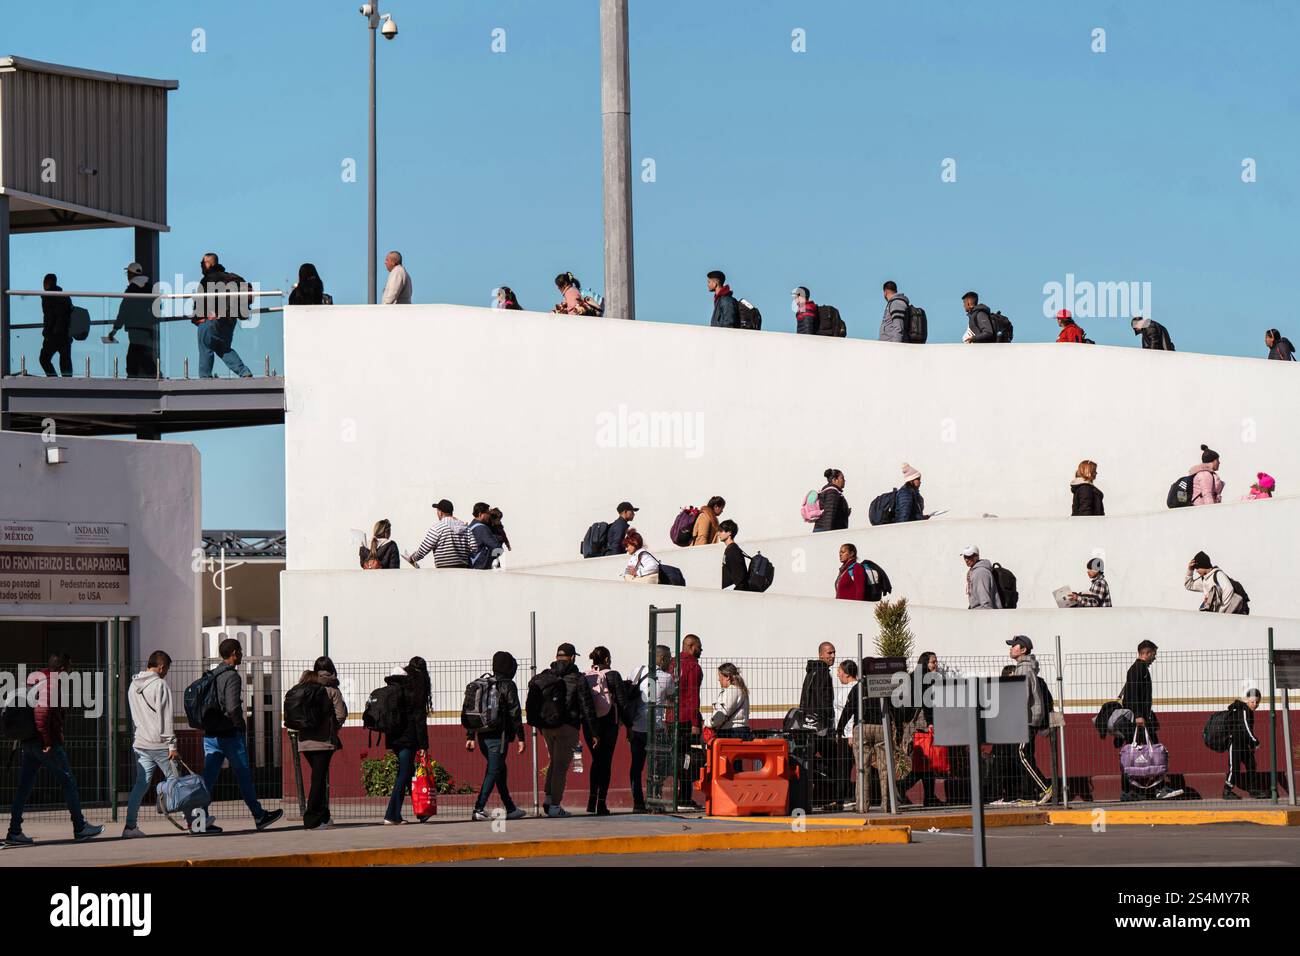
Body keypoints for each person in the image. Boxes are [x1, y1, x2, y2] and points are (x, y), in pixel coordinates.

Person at [4, 653, 105, 846]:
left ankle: (14, 832)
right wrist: (47, 742)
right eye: (70, 667)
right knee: (68, 782)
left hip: (28, 742)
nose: (72, 670)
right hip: (44, 743)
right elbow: (42, 713)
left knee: (24, 788)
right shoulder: (52, 683)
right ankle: (80, 827)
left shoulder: (37, 679)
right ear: (62, 668)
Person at [200, 639, 284, 832]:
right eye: (241, 651)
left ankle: (199, 819)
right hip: (229, 734)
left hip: (211, 735)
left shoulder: (212, 674)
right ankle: (259, 815)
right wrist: (240, 724)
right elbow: (231, 707)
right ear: (235, 653)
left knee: (208, 779)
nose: (242, 654)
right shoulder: (232, 676)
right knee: (244, 776)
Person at [528, 643, 598, 817]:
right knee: (560, 766)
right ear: (573, 657)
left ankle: (548, 799)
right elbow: (587, 706)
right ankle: (555, 807)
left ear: (556, 656)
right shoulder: (577, 678)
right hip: (567, 727)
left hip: (547, 727)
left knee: (554, 762)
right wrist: (594, 731)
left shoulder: (546, 675)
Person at [123, 650, 180, 837]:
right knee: (176, 781)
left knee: (140, 785)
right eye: (167, 669)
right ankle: (194, 819)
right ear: (162, 667)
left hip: (140, 742)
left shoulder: (133, 685)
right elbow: (165, 717)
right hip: (160, 743)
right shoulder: (160, 685)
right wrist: (172, 745)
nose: (166, 673)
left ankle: (130, 827)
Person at [464, 651, 528, 821]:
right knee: (493, 771)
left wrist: (470, 736)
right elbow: (515, 712)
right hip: (498, 736)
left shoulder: (484, 684)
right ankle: (479, 808)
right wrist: (521, 737)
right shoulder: (507, 685)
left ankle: (510, 808)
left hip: (481, 735)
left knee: (499, 769)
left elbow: (473, 710)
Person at [1118, 641, 1183, 801]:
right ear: (1146, 653)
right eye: (1153, 654)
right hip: (1139, 721)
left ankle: (1134, 790)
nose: (1155, 658)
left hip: (1141, 720)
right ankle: (1152, 789)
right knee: (1149, 755)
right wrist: (1139, 715)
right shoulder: (1138, 670)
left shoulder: (1139, 669)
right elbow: (1133, 694)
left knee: (1138, 756)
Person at [296, 656, 348, 829]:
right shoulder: (332, 689)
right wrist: (332, 728)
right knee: (318, 780)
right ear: (331, 669)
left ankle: (324, 817)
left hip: (304, 741)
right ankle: (312, 820)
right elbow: (340, 715)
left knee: (318, 778)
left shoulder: (305, 685)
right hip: (324, 742)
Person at [383, 657, 432, 824]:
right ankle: (392, 815)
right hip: (408, 739)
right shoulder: (416, 690)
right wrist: (424, 746)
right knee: (403, 775)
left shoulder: (400, 686)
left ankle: (421, 811)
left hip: (394, 737)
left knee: (409, 772)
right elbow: (419, 720)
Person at [628, 645, 675, 812]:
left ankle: (638, 802)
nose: (670, 662)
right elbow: (671, 695)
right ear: (662, 659)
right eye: (668, 658)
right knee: (657, 767)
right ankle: (655, 800)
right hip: (656, 728)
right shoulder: (668, 678)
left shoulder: (637, 671)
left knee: (636, 766)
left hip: (637, 726)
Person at [584, 647, 630, 815]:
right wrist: (629, 725)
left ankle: (591, 799)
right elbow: (623, 703)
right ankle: (601, 804)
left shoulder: (587, 675)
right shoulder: (613, 675)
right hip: (609, 724)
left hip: (590, 725)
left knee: (596, 761)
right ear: (607, 659)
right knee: (605, 763)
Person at [192, 252, 253, 378]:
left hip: (212, 320)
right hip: (229, 321)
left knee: (205, 347)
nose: (201, 266)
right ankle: (244, 372)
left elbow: (199, 303)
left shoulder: (207, 279)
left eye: (203, 263)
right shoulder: (232, 278)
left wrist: (197, 319)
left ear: (209, 263)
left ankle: (204, 378)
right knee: (223, 348)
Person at [894, 651, 943, 807]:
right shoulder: (925, 679)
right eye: (932, 662)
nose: (935, 665)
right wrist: (930, 722)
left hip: (912, 725)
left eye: (935, 662)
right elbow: (927, 703)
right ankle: (902, 787)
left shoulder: (913, 677)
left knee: (925, 763)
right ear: (925, 663)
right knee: (924, 762)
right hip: (920, 725)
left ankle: (928, 796)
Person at [1006, 636, 1051, 805]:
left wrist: (1015, 718)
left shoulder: (1023, 670)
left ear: (1023, 649)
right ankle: (1031, 792)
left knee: (1021, 755)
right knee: (1026, 756)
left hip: (1026, 720)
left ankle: (1046, 788)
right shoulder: (1023, 668)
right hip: (1028, 719)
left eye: (1013, 646)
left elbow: (1022, 697)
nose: (1010, 649)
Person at [107, 262, 158, 378]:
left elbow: (124, 309)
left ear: (130, 274)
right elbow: (157, 307)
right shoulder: (150, 287)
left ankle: (138, 375)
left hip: (135, 327)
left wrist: (115, 328)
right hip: (147, 327)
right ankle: (151, 373)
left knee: (135, 354)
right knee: (142, 351)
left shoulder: (131, 289)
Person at [672, 635, 705, 807]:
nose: (701, 650)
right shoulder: (693, 667)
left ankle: (667, 796)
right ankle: (684, 797)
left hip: (669, 718)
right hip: (685, 720)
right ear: (691, 646)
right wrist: (695, 723)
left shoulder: (672, 664)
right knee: (687, 758)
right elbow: (693, 696)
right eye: (699, 647)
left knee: (673, 757)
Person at [1223, 690, 1265, 799]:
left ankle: (1253, 790)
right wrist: (1255, 741)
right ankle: (1227, 791)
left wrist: (1250, 743)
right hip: (1235, 743)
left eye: (1257, 702)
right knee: (1235, 768)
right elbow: (1246, 727)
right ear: (1247, 700)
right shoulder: (1244, 710)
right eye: (1252, 702)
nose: (1255, 704)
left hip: (1243, 744)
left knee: (1251, 764)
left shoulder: (1248, 710)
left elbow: (1246, 730)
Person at [408, 499, 473, 568]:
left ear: (440, 512)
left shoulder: (437, 528)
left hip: (444, 572)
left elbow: (424, 548)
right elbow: (474, 548)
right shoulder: (465, 528)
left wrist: (413, 558)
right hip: (463, 571)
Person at [38, 273, 73, 377]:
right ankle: (68, 383)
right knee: (65, 360)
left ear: (46, 283)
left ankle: (53, 379)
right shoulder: (65, 296)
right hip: (66, 334)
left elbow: (50, 317)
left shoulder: (48, 297)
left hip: (53, 334)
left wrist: (46, 333)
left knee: (44, 359)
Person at [800, 642, 837, 734]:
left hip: (809, 717)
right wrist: (828, 715)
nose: (833, 656)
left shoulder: (812, 670)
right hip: (819, 719)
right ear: (821, 655)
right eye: (829, 653)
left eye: (834, 652)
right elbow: (824, 697)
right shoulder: (822, 672)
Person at [709, 664, 751, 740]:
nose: (718, 679)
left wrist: (708, 723)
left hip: (732, 732)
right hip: (738, 731)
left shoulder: (733, 690)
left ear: (727, 677)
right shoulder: (738, 689)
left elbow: (723, 713)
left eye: (720, 676)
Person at [467, 502, 504, 569]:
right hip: (481, 568)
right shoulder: (482, 528)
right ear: (480, 514)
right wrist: (499, 539)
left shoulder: (470, 526)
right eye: (487, 513)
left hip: (472, 566)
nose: (489, 516)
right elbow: (497, 548)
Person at [717, 519, 749, 591]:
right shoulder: (730, 549)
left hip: (734, 597)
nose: (718, 534)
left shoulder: (733, 551)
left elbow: (740, 578)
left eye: (721, 531)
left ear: (729, 532)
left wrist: (733, 595)